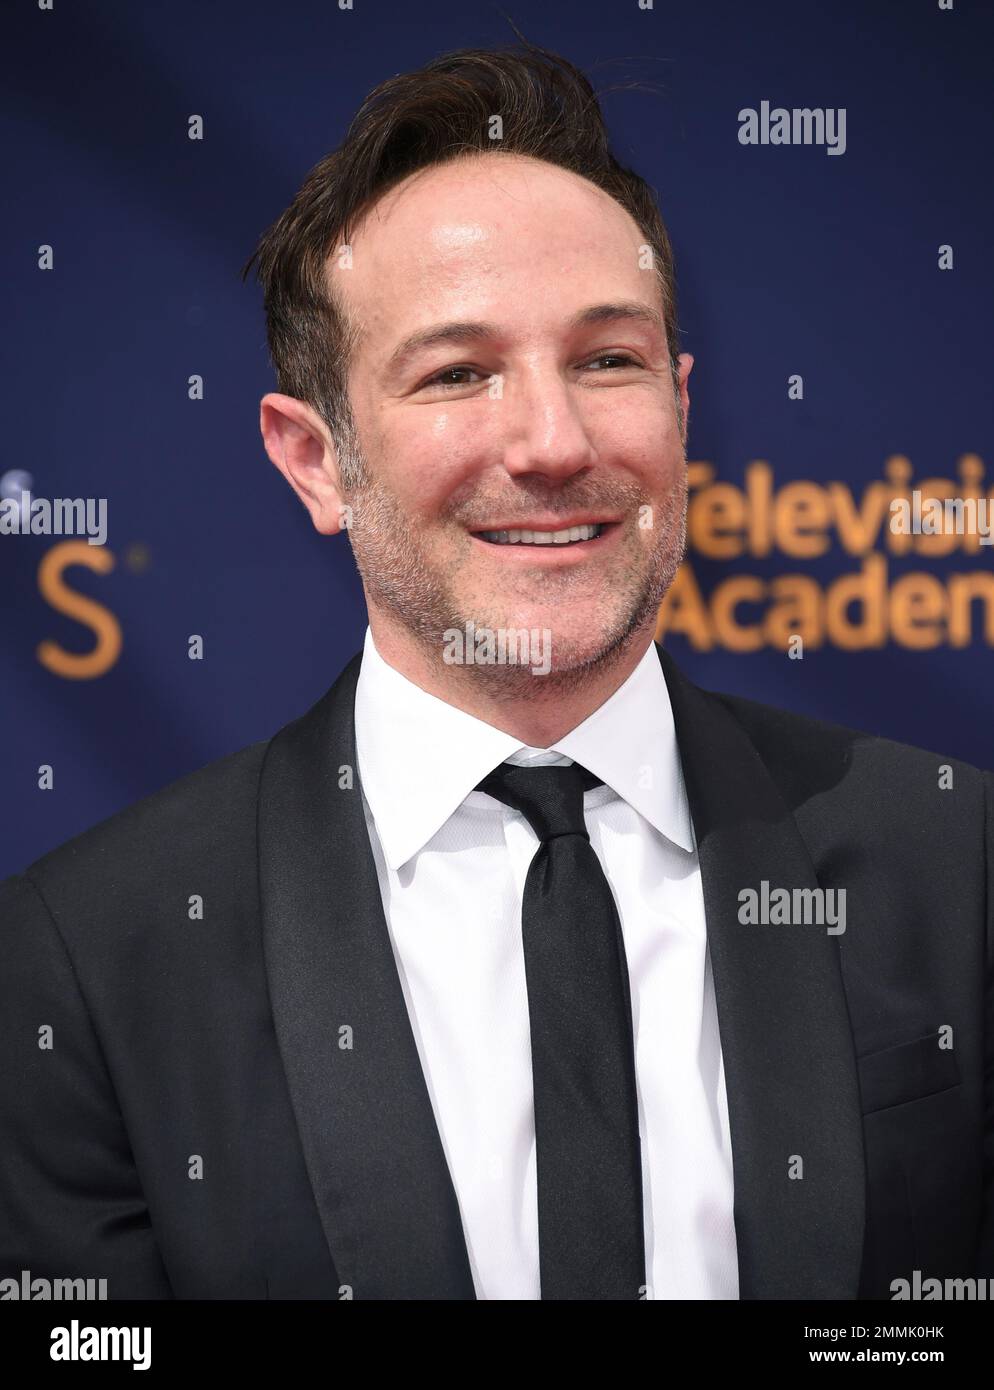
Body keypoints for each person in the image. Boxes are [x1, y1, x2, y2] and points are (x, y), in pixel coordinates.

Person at [1, 41, 991, 1302]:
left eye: (607, 359)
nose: (552, 442)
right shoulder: (86, 957)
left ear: (681, 406)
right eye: (457, 373)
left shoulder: (958, 867)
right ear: (315, 460)